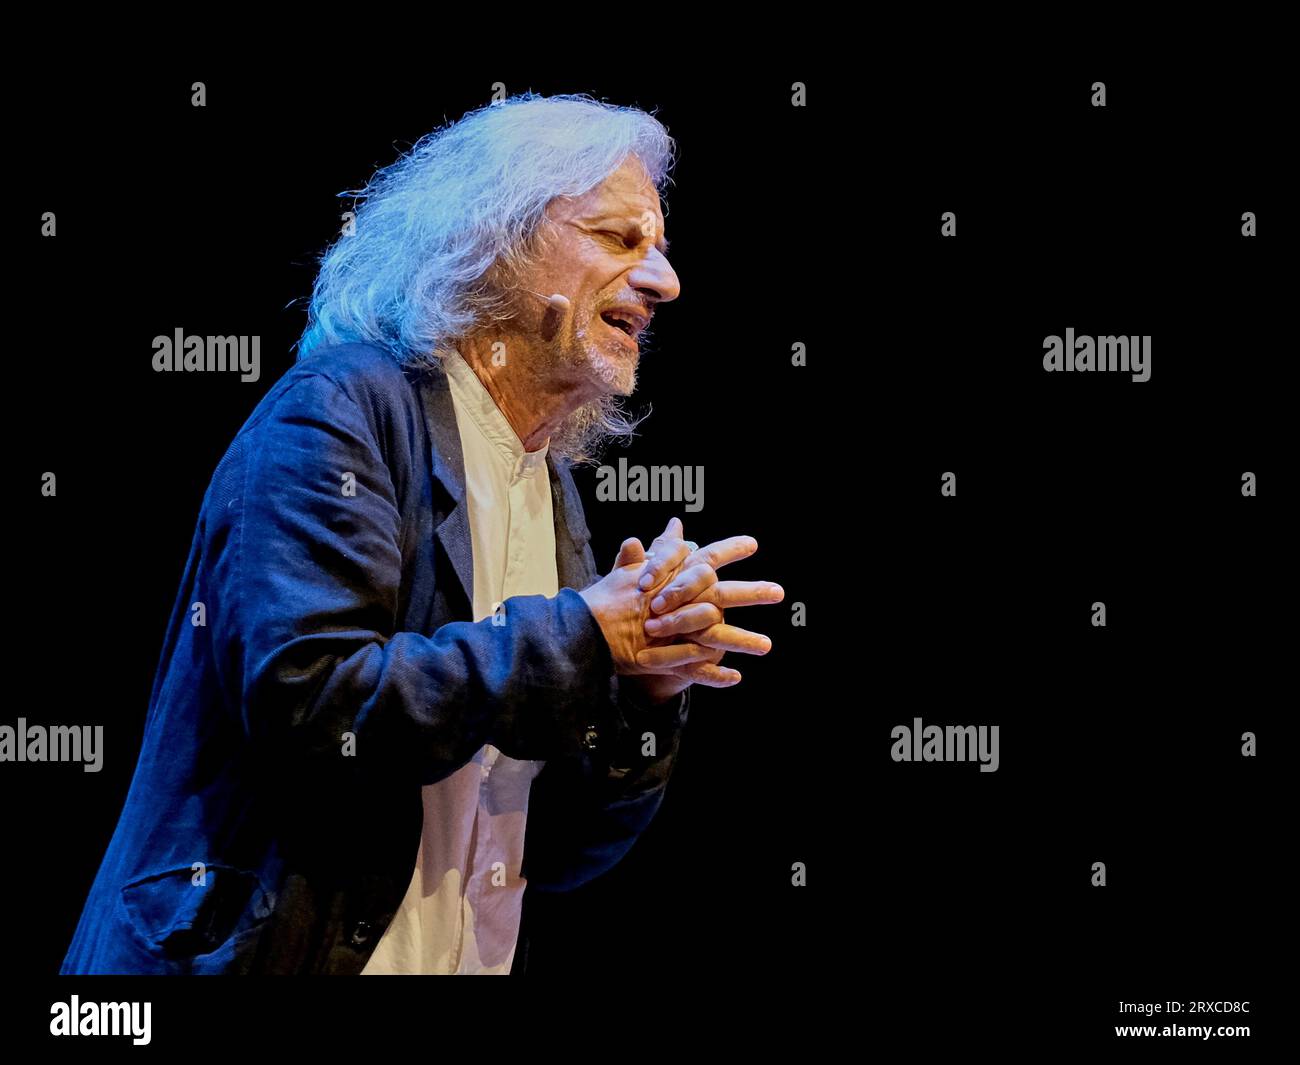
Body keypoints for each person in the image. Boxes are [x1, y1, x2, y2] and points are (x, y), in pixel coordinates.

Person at [60, 93, 783, 975]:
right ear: (498, 239)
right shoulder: (338, 412)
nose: (664, 281)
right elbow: (314, 706)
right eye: (619, 238)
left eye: (659, 247)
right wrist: (584, 633)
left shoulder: (544, 481)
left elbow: (556, 852)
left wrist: (642, 688)